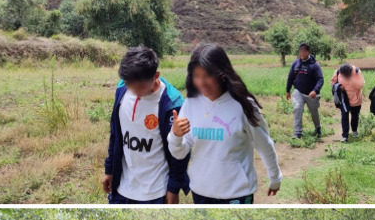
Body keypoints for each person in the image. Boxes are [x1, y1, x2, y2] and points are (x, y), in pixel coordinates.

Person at [168, 44, 282, 204]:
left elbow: (264, 144)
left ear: (221, 73)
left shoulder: (243, 106)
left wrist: (275, 178)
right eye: (196, 76)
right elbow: (179, 153)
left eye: (207, 75)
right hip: (200, 192)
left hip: (236, 193)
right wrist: (176, 136)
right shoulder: (191, 104)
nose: (201, 82)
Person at [102, 46, 190, 204]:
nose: (135, 92)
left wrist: (174, 187)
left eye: (141, 87)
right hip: (123, 187)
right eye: (131, 86)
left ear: (156, 76)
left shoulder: (172, 103)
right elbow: (115, 133)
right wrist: (110, 169)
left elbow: (180, 152)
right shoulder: (122, 88)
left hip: (155, 191)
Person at [285, 42, 324, 139]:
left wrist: (315, 90)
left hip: (311, 94)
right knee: (297, 108)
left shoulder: (315, 65)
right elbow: (290, 77)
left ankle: (318, 127)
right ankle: (297, 132)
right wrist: (288, 90)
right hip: (298, 91)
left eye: (303, 52)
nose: (301, 54)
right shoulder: (295, 63)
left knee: (314, 112)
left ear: (308, 52)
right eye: (300, 52)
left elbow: (320, 79)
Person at [331, 62, 365, 142]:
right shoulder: (338, 72)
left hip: (356, 100)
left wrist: (351, 81)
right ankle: (345, 136)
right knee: (344, 115)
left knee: (355, 115)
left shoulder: (356, 71)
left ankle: (354, 131)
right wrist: (339, 86)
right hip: (344, 100)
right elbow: (333, 82)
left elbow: (361, 84)